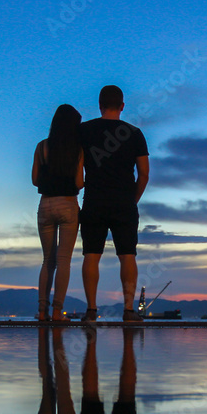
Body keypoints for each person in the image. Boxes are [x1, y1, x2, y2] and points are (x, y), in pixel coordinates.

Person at [78, 85, 149, 322]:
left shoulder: (84, 131)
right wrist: (132, 199)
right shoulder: (135, 133)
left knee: (91, 254)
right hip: (124, 203)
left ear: (99, 105)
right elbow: (144, 174)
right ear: (122, 106)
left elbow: (77, 166)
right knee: (128, 254)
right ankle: (129, 310)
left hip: (94, 200)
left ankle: (91, 310)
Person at [32, 104, 84, 321]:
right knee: (63, 260)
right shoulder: (78, 149)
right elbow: (79, 183)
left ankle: (42, 312)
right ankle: (57, 312)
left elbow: (35, 180)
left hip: (45, 205)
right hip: (68, 205)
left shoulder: (42, 146)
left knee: (48, 260)